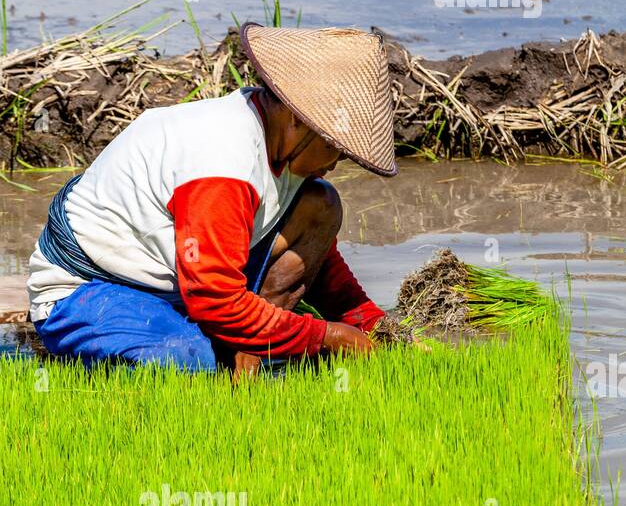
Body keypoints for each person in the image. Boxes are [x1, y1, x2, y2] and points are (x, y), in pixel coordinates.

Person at [27, 23, 398, 378]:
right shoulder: (223, 163)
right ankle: (231, 352)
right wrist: (324, 338)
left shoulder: (280, 148)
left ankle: (247, 348)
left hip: (178, 281)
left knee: (321, 205)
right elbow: (214, 301)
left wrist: (370, 324)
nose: (337, 162)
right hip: (88, 290)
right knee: (191, 362)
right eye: (335, 147)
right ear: (297, 120)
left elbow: (313, 260)